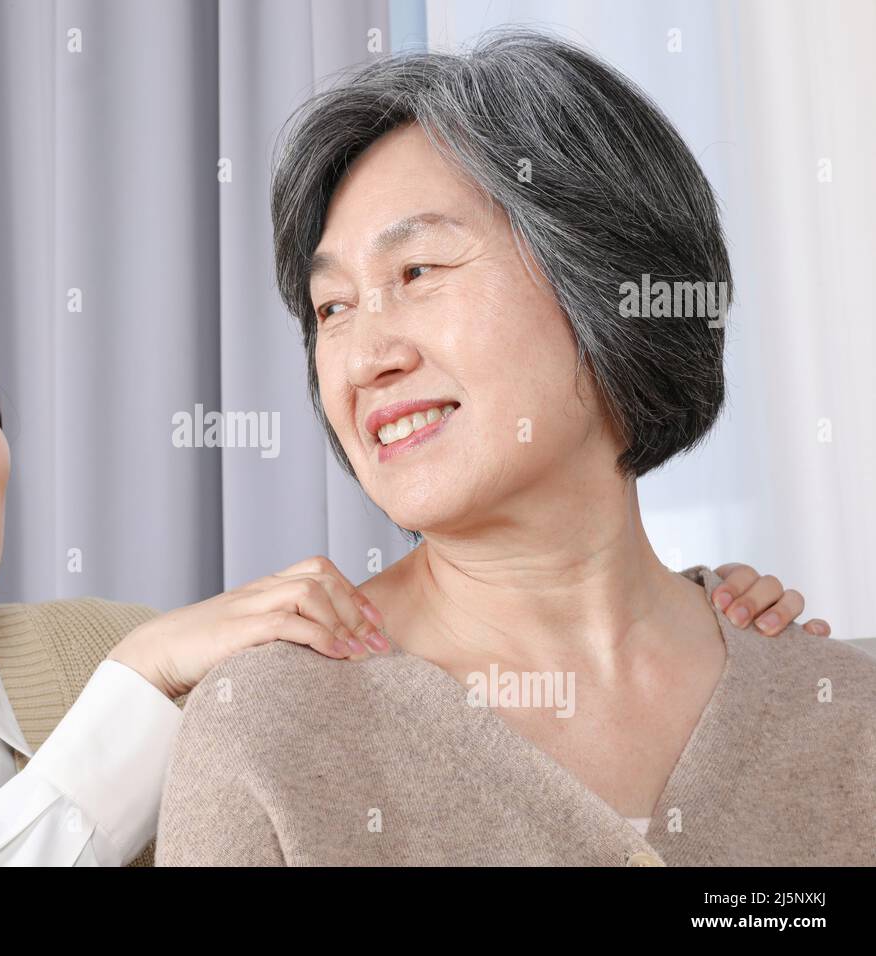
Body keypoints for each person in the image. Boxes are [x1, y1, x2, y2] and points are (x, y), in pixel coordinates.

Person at [155, 31, 873, 866]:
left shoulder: (836, 706)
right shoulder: (269, 721)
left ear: (608, 278)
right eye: (332, 308)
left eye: (418, 272)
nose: (362, 358)